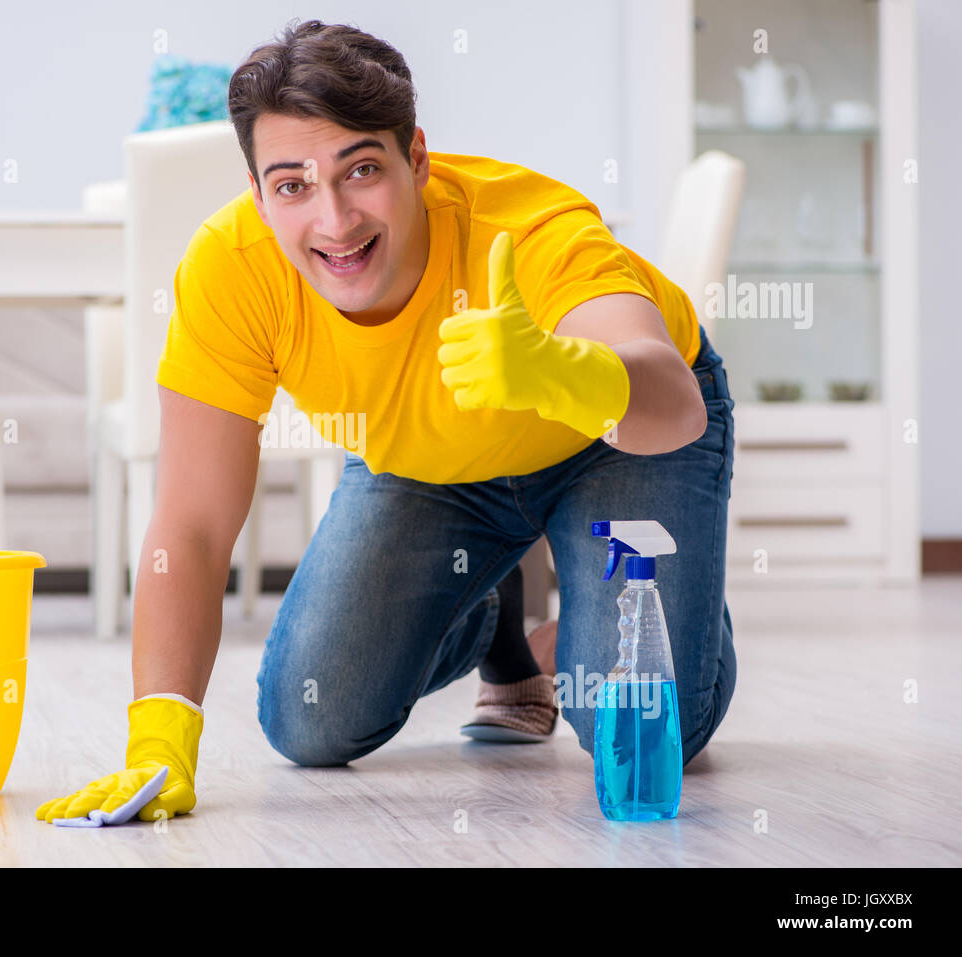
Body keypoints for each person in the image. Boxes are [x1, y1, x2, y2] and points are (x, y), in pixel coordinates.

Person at [37, 18, 737, 826]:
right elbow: (190, 524)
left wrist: (557, 371)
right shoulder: (231, 269)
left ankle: (632, 621)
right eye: (292, 184)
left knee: (646, 726)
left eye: (360, 169)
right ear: (260, 196)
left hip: (615, 439)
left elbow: (673, 404)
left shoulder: (531, 230)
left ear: (417, 160)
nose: (334, 221)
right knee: (310, 719)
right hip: (431, 462)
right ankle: (499, 619)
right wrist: (157, 737)